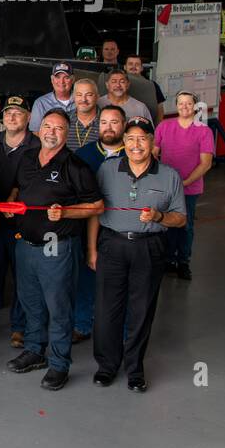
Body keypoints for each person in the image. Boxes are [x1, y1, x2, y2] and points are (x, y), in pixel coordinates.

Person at [5, 108, 104, 389]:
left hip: (56, 248)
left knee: (58, 306)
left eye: (59, 128)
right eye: (47, 126)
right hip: (25, 243)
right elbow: (16, 188)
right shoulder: (26, 158)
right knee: (30, 301)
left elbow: (96, 206)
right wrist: (11, 202)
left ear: (66, 133)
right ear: (39, 129)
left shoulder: (76, 166)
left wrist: (66, 213)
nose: (51, 132)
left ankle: (59, 363)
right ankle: (36, 350)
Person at [88, 117, 187, 392]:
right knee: (107, 308)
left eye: (142, 138)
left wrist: (159, 216)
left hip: (149, 246)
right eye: (130, 138)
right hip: (112, 245)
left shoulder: (169, 175)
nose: (136, 144)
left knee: (141, 310)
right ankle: (107, 366)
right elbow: (96, 211)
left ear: (152, 142)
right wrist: (92, 248)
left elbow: (180, 219)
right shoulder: (107, 169)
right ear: (123, 142)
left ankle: (135, 369)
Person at [0, 96, 40, 345]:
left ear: (28, 117)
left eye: (19, 113)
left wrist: (17, 197)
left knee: (23, 276)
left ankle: (19, 327)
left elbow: (39, 182)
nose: (13, 117)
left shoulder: (36, 145)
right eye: (9, 113)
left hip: (23, 223)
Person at [71, 104, 127, 343]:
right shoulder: (83, 154)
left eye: (114, 122)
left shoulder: (133, 153)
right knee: (86, 278)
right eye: (104, 122)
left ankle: (119, 332)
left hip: (121, 230)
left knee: (119, 285)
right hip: (87, 227)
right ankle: (82, 324)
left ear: (124, 126)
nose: (108, 127)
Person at [154, 91, 214, 281]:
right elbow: (154, 152)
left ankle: (183, 262)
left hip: (190, 188)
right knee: (166, 223)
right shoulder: (164, 126)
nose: (185, 107)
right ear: (176, 105)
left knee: (185, 226)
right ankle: (169, 259)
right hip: (167, 187)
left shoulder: (204, 131)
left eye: (189, 104)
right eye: (181, 103)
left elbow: (206, 163)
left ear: (195, 107)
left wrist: (185, 182)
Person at [29, 62, 75, 131]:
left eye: (66, 77)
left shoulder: (81, 100)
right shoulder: (40, 103)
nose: (61, 81)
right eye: (58, 77)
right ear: (52, 79)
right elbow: (35, 132)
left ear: (72, 80)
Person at [68, 78, 100, 149]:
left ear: (97, 97)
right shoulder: (63, 119)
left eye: (89, 95)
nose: (83, 99)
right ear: (73, 97)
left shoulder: (107, 121)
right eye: (79, 95)